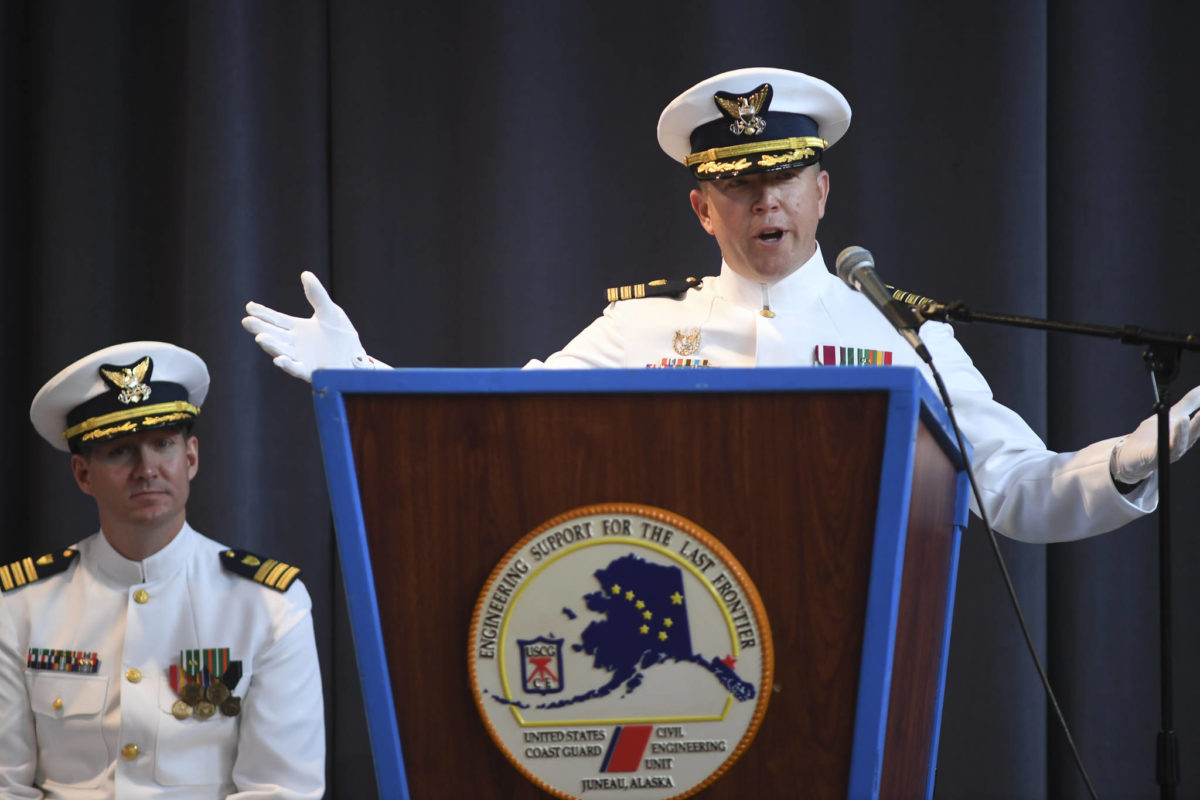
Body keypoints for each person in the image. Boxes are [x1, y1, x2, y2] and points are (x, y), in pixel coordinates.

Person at [239, 67, 1200, 544]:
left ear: (822, 192)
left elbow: (1012, 486)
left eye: (784, 176)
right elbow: (497, 426)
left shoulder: (903, 331)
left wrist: (1127, 459)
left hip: (853, 648)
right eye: (740, 185)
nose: (765, 200)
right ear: (704, 208)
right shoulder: (639, 329)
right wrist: (356, 378)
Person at [0, 342, 325, 799]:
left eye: (163, 444)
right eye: (119, 451)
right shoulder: (19, 607)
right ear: (82, 474)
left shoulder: (269, 606)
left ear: (190, 457)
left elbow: (281, 790)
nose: (147, 468)